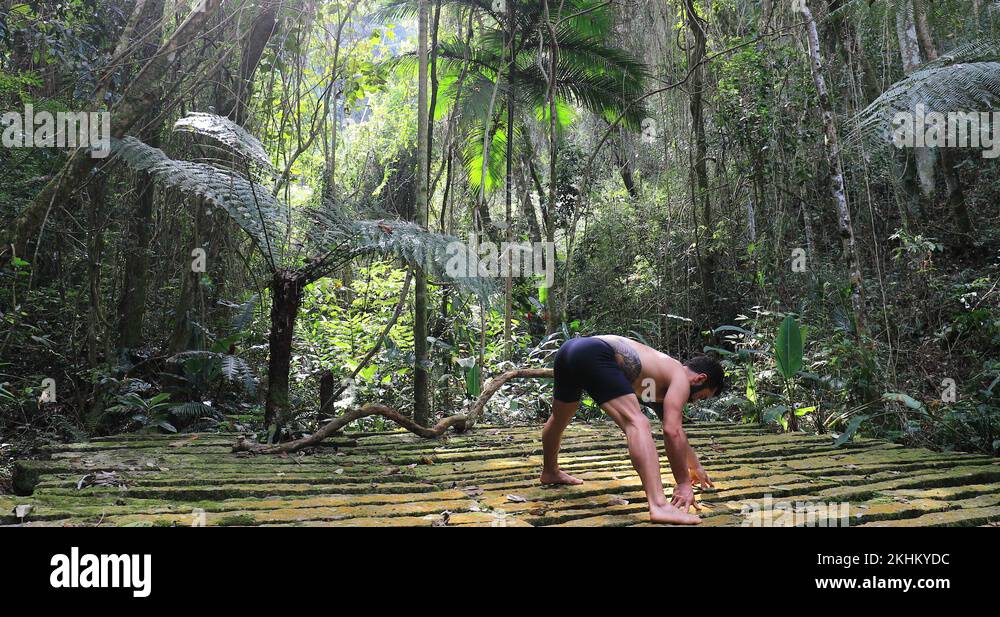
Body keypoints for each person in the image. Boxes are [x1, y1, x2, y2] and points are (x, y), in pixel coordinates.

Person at [540, 335, 725, 524]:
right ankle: (659, 506)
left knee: (560, 417)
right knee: (638, 422)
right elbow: (672, 431)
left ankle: (550, 471)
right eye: (702, 397)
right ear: (700, 379)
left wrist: (695, 466)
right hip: (595, 352)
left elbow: (676, 432)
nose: (695, 402)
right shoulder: (680, 377)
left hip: (570, 350)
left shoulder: (659, 379)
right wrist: (684, 484)